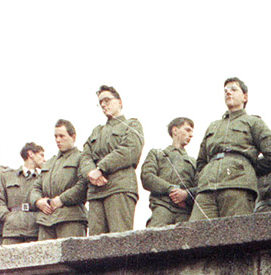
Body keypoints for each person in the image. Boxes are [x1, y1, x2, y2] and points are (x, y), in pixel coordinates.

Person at [189, 77, 271, 223]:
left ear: (245, 97)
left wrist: (247, 169)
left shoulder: (254, 122)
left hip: (238, 186)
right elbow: (201, 161)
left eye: (234, 89)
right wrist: (207, 175)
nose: (228, 93)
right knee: (196, 234)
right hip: (207, 189)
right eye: (226, 90)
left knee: (235, 234)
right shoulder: (213, 126)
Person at [83, 86, 145, 236]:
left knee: (120, 240)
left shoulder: (132, 125)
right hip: (96, 191)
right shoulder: (96, 131)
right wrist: (90, 172)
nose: (104, 105)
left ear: (119, 102)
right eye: (100, 102)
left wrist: (101, 168)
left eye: (107, 100)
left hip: (119, 187)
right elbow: (85, 156)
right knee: (95, 244)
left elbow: (130, 151)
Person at [36, 120, 90, 241]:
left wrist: (61, 200)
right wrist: (38, 201)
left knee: (72, 257)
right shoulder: (49, 163)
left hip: (71, 218)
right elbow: (36, 187)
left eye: (62, 136)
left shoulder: (82, 158)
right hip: (46, 220)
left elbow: (83, 184)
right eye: (56, 136)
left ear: (73, 137)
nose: (58, 140)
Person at [140, 118, 197, 228]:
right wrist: (171, 189)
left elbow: (200, 187)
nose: (191, 135)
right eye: (187, 130)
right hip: (162, 207)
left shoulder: (194, 162)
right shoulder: (157, 154)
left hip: (184, 212)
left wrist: (185, 194)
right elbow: (147, 177)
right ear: (175, 130)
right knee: (152, 238)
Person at [2, 143, 47, 246]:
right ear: (31, 154)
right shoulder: (7, 176)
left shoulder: (43, 178)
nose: (44, 159)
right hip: (12, 231)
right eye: (41, 155)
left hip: (35, 229)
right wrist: (7, 217)